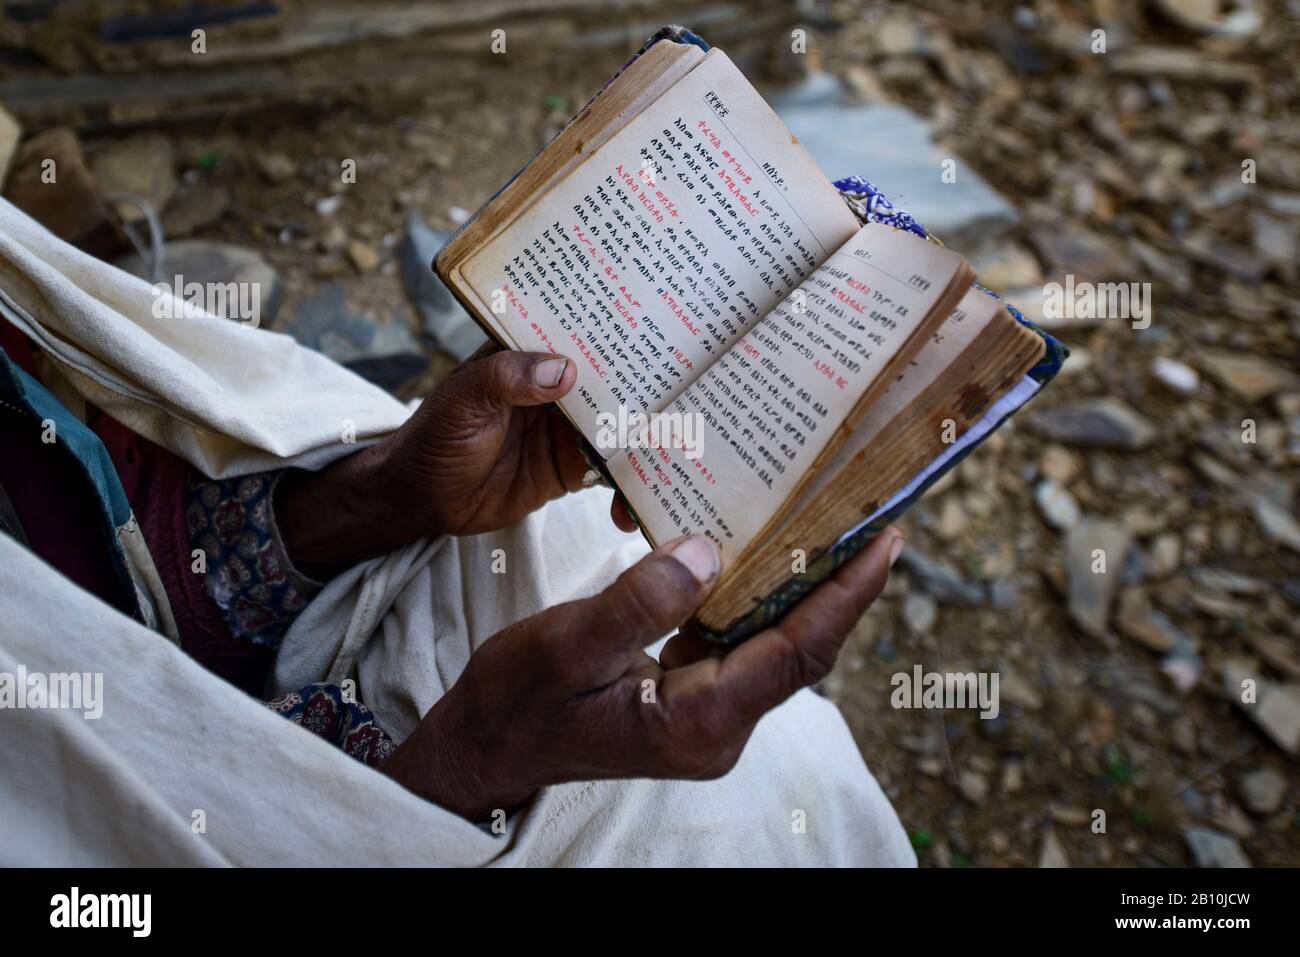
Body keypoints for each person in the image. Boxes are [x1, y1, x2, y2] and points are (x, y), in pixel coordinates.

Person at [0, 195, 914, 866]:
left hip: (287, 602)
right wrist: (472, 759)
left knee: (585, 546)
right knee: (753, 816)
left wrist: (382, 497)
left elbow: (98, 525)